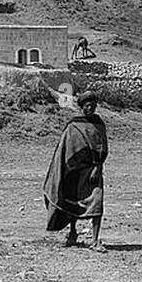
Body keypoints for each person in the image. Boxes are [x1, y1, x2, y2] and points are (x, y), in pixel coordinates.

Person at [43, 91, 109, 251]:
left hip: (93, 172)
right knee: (73, 203)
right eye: (87, 106)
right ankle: (73, 233)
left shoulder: (99, 124)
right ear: (82, 107)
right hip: (74, 171)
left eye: (93, 105)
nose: (90, 108)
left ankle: (95, 240)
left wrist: (97, 167)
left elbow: (103, 147)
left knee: (97, 204)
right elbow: (66, 148)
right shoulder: (73, 125)